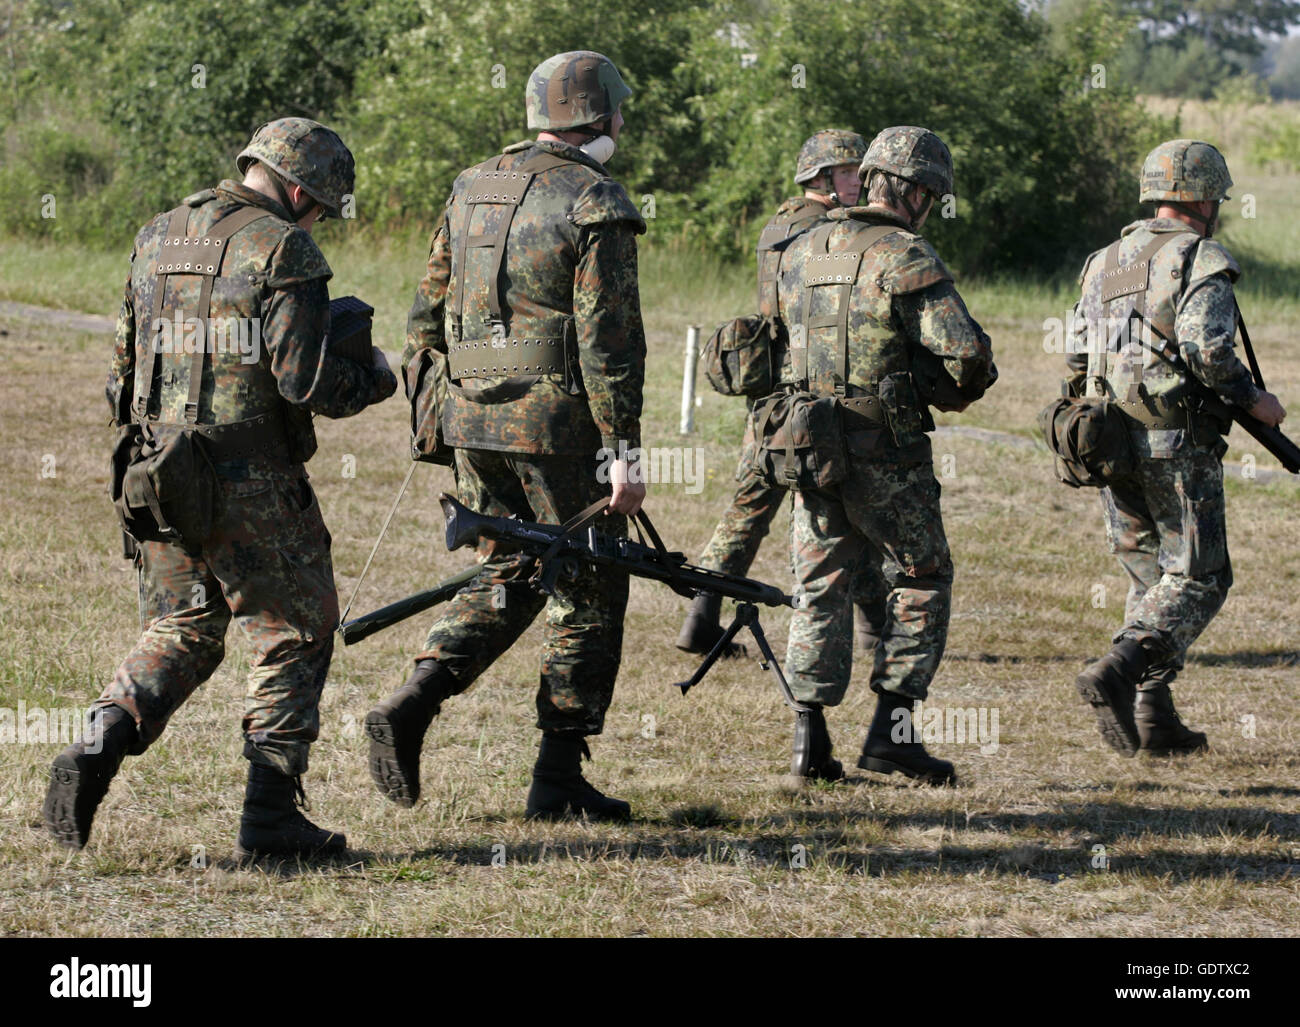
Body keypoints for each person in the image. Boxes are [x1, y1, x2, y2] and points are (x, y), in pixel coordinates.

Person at [43, 117, 397, 857]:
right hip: (252, 482)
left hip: (157, 475)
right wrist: (373, 377)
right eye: (324, 206)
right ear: (299, 190)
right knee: (294, 633)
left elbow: (120, 373)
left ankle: (97, 742)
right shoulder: (284, 248)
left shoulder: (157, 234)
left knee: (180, 629)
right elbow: (305, 383)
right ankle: (269, 816)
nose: (322, 220)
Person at [368, 51, 647, 821]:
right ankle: (557, 776)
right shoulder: (596, 201)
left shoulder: (472, 187)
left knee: (514, 570)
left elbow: (425, 316)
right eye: (619, 109)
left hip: (471, 420)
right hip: (557, 431)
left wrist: (436, 415)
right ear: (600, 115)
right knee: (588, 587)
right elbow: (610, 341)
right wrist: (622, 449)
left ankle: (416, 698)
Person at [774, 126, 996, 784]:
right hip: (883, 452)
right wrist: (954, 390)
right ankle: (891, 734)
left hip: (808, 445)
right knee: (923, 577)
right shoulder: (905, 254)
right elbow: (967, 353)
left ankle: (808, 745)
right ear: (919, 192)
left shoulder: (803, 248)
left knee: (818, 586)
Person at [1065, 139, 1286, 756]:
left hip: (1108, 439)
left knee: (1151, 577)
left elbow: (1077, 357)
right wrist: (1253, 401)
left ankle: (1153, 715)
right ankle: (1118, 668)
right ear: (1203, 197)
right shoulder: (1199, 256)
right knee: (1199, 576)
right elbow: (1207, 348)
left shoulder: (1102, 261)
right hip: (1175, 440)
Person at [677, 129, 889, 662]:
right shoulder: (824, 231)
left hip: (770, 398)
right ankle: (876, 628)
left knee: (748, 509)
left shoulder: (779, 224)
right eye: (849, 174)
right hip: (809, 396)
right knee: (845, 504)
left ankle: (701, 618)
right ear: (823, 178)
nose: (859, 184)